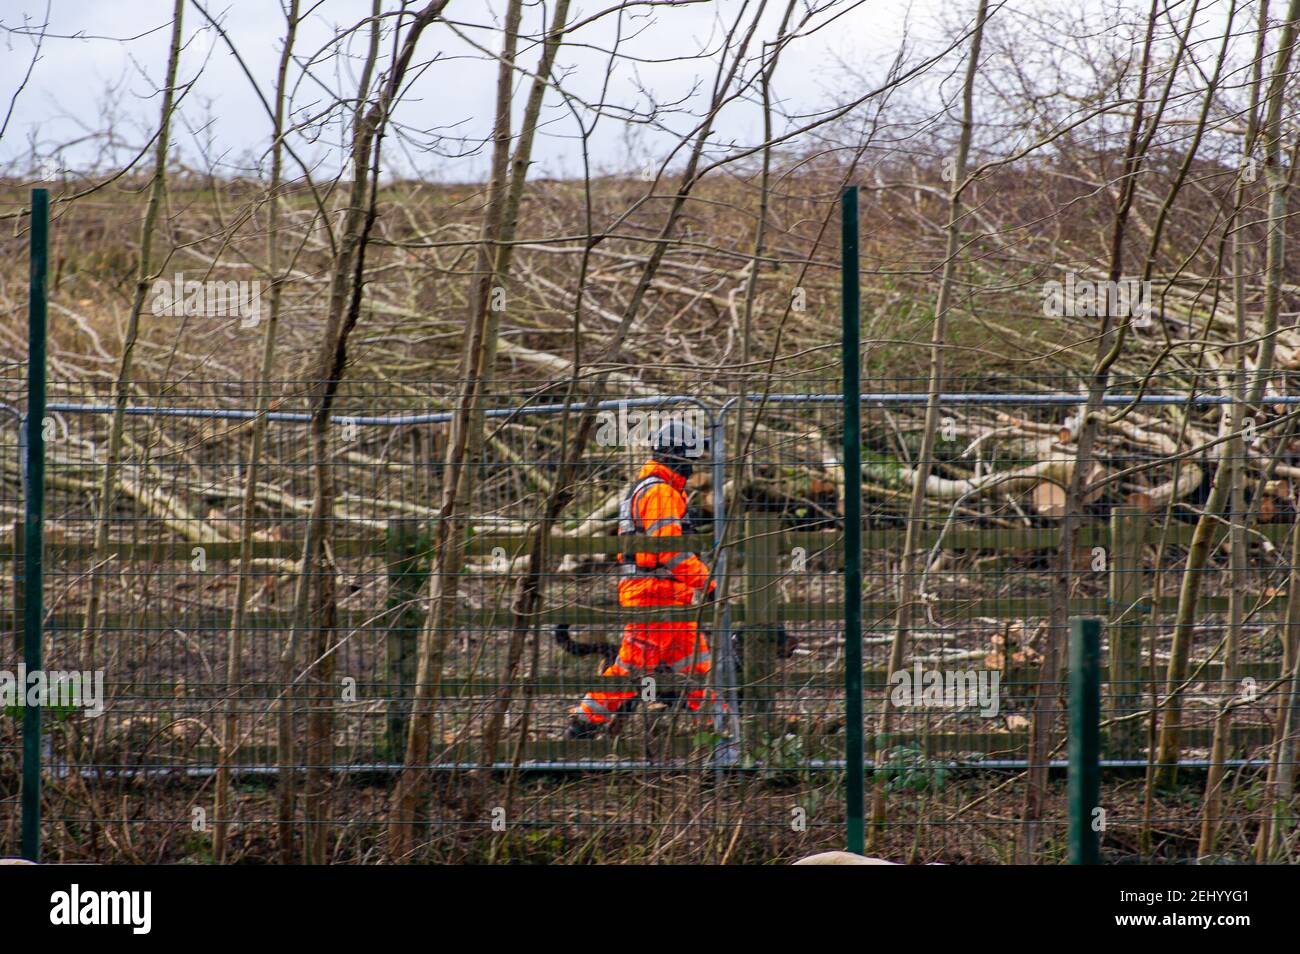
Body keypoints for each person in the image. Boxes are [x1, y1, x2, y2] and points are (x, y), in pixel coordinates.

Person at [567, 419, 719, 738]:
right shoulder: (660, 492)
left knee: (698, 667)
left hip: (667, 596)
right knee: (632, 669)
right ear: (676, 455)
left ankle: (720, 734)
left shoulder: (656, 488)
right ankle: (582, 725)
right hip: (654, 596)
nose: (694, 465)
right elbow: (669, 551)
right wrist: (708, 582)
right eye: (690, 457)